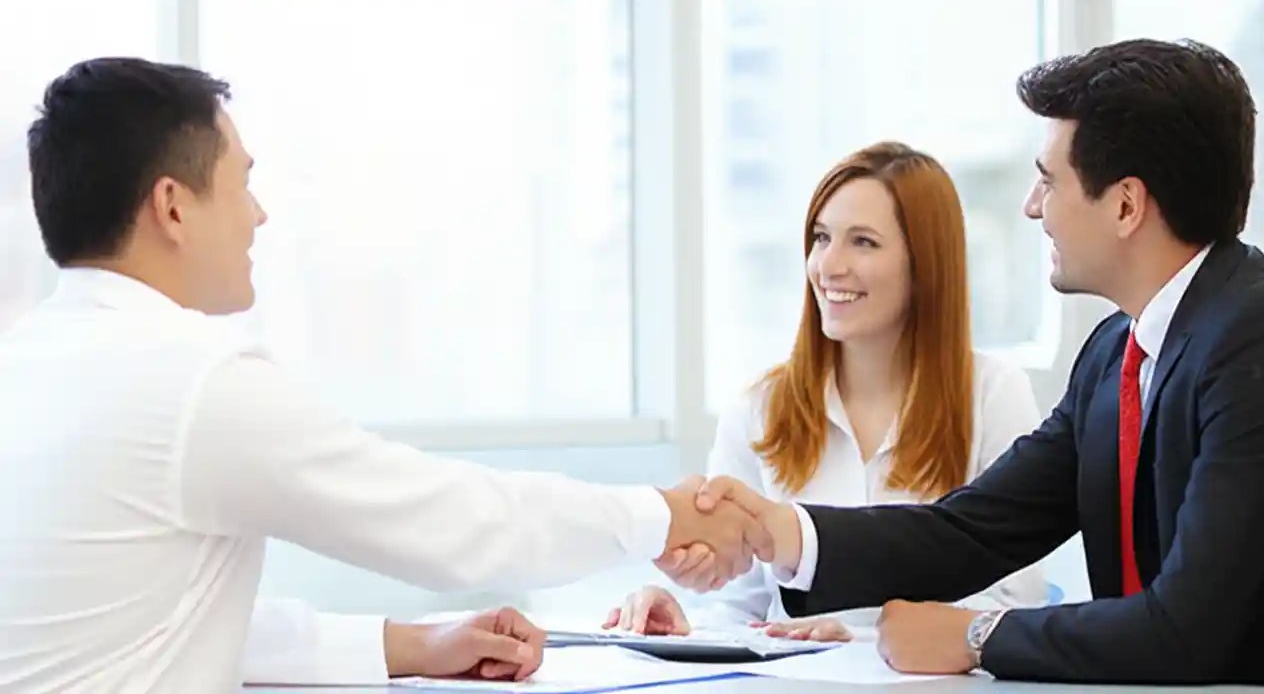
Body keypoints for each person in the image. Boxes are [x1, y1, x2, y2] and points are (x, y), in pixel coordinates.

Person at [0, 57, 771, 693]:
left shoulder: (28, 364)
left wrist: (416, 645)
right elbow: (447, 521)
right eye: (242, 183)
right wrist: (661, 517)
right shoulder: (192, 382)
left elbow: (145, 619)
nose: (259, 215)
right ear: (173, 207)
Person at [689, 38, 1264, 685]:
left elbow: (1188, 628)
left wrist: (976, 637)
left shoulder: (1258, 338)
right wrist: (784, 533)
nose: (1033, 206)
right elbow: (972, 530)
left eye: (1049, 181)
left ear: (1125, 205)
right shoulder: (1116, 354)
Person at [602, 143, 1047, 641]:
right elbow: (738, 606)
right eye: (821, 237)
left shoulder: (993, 395)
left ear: (925, 263)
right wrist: (683, 621)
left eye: (863, 242)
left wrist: (859, 636)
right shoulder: (760, 408)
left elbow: (1013, 600)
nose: (828, 265)